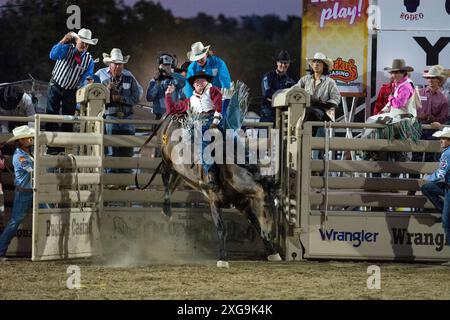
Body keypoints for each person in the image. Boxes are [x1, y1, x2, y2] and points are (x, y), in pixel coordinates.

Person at [165, 71, 222, 190]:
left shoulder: (212, 91)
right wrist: (168, 95)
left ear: (207, 82)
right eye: (196, 82)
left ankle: (248, 164)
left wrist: (215, 122)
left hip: (215, 120)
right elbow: (172, 110)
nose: (199, 83)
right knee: (203, 145)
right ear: (194, 86)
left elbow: (218, 106)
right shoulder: (190, 100)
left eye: (202, 80)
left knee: (235, 137)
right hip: (200, 125)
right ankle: (211, 176)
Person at [95, 48, 143, 172]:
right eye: (115, 64)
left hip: (127, 119)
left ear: (123, 65)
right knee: (111, 151)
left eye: (120, 64)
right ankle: (111, 180)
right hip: (111, 118)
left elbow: (136, 97)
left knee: (127, 150)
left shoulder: (130, 79)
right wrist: (107, 92)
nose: (117, 66)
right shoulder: (103, 81)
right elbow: (95, 97)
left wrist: (121, 99)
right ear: (110, 65)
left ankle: (124, 181)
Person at [46, 28, 97, 134]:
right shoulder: (66, 48)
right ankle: (51, 147)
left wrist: (88, 82)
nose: (84, 45)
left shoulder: (89, 60)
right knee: (51, 115)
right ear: (76, 41)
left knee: (69, 119)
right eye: (82, 42)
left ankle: (65, 146)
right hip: (56, 84)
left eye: (87, 44)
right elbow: (52, 55)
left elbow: (86, 78)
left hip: (71, 90)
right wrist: (64, 39)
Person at [0, 125, 35, 261]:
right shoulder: (20, 156)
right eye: (27, 137)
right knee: (14, 222)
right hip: (24, 193)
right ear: (20, 141)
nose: (30, 139)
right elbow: (33, 170)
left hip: (30, 191)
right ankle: (0, 250)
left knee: (48, 215)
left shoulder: (27, 153)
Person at [421, 127, 450, 265]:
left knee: (447, 222)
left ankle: (445, 211)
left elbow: (440, 174)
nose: (441, 141)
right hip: (447, 186)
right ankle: (445, 210)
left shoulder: (447, 154)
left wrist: (427, 177)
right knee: (427, 188)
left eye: (444, 138)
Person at [296, 52, 341, 124]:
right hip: (306, 110)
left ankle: (304, 132)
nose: (316, 64)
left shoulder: (330, 82)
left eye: (319, 62)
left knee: (310, 113)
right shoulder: (304, 80)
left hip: (323, 112)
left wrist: (325, 103)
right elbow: (295, 90)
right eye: (314, 61)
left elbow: (336, 99)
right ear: (312, 65)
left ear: (324, 66)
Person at [146, 53, 186, 120]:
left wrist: (170, 74)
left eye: (168, 65)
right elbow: (149, 98)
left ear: (172, 65)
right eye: (164, 65)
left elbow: (184, 81)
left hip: (174, 116)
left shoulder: (176, 79)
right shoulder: (154, 81)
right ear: (160, 66)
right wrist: (157, 83)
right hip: (159, 117)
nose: (166, 67)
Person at [260, 50, 296, 124]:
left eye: (285, 63)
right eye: (281, 62)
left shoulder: (291, 81)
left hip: (283, 115)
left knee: (282, 135)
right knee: (264, 134)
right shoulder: (268, 76)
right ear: (277, 63)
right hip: (268, 114)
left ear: (288, 64)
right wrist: (284, 95)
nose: (283, 65)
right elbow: (267, 93)